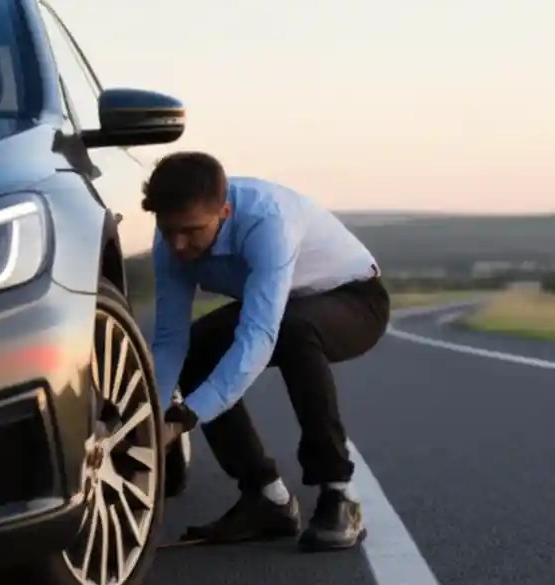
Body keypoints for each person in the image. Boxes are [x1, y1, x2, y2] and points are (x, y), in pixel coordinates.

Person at [144, 151, 390, 552]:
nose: (179, 245)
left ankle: (339, 492)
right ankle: (266, 498)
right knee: (197, 347)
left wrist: (186, 416)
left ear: (223, 212)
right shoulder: (171, 241)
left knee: (293, 330)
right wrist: (155, 413)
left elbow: (258, 337)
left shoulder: (267, 221)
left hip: (354, 299)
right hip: (287, 305)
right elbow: (171, 339)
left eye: (191, 231)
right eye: (168, 230)